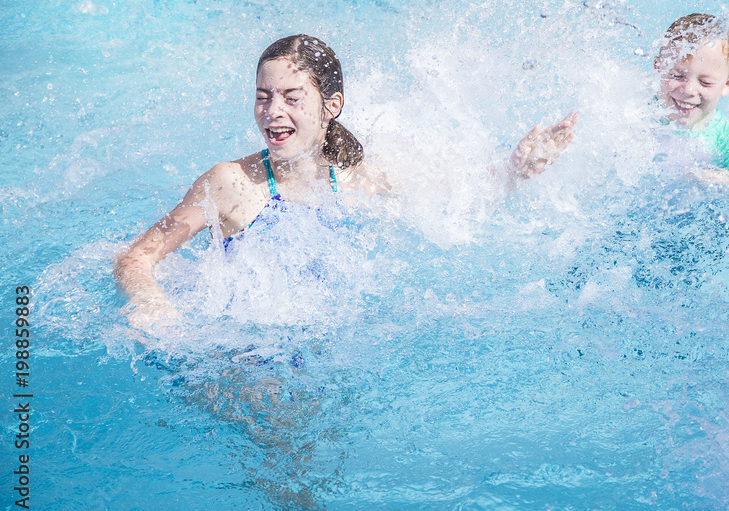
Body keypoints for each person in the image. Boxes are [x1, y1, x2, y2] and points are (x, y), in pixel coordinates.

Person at [115, 34, 578, 333]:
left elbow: (462, 195)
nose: (273, 111)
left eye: (291, 98)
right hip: (239, 350)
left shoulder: (359, 179)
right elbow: (136, 256)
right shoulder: (230, 182)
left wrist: (516, 169)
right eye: (263, 97)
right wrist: (151, 301)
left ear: (330, 105)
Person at [653, 13, 729, 185]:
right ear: (658, 68)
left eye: (705, 82)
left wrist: (721, 180)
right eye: (676, 75)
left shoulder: (727, 139)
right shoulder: (638, 112)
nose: (688, 90)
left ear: (727, 85)